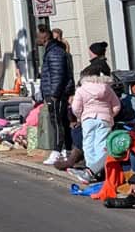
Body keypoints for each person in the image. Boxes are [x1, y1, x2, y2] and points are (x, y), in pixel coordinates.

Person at [69, 66, 121, 183]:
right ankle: (99, 170)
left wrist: (80, 116)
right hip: (105, 119)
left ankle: (90, 169)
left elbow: (75, 107)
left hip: (88, 118)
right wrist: (111, 114)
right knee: (101, 144)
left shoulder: (81, 90)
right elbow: (117, 105)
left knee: (88, 144)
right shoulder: (107, 88)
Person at [37, 26, 75, 167]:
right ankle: (66, 149)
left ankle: (57, 151)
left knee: (57, 122)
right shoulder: (52, 51)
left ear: (45, 37)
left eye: (38, 36)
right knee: (61, 122)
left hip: (56, 95)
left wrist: (54, 95)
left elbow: (58, 75)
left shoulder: (55, 53)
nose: (36, 39)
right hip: (55, 93)